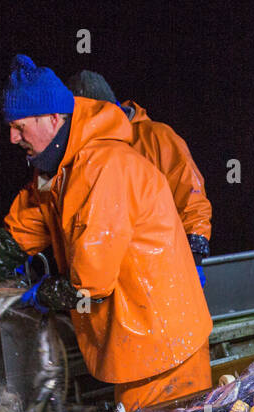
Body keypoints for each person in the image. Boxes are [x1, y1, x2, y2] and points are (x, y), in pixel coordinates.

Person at [0, 55, 212, 412]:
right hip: (133, 335)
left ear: (59, 117)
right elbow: (25, 226)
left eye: (19, 126)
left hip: (158, 333)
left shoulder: (113, 162)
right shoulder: (60, 169)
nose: (11, 138)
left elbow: (90, 283)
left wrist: (193, 253)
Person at [65, 71, 213, 284]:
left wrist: (194, 258)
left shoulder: (157, 137)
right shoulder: (80, 150)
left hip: (161, 265)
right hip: (109, 273)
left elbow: (192, 199)